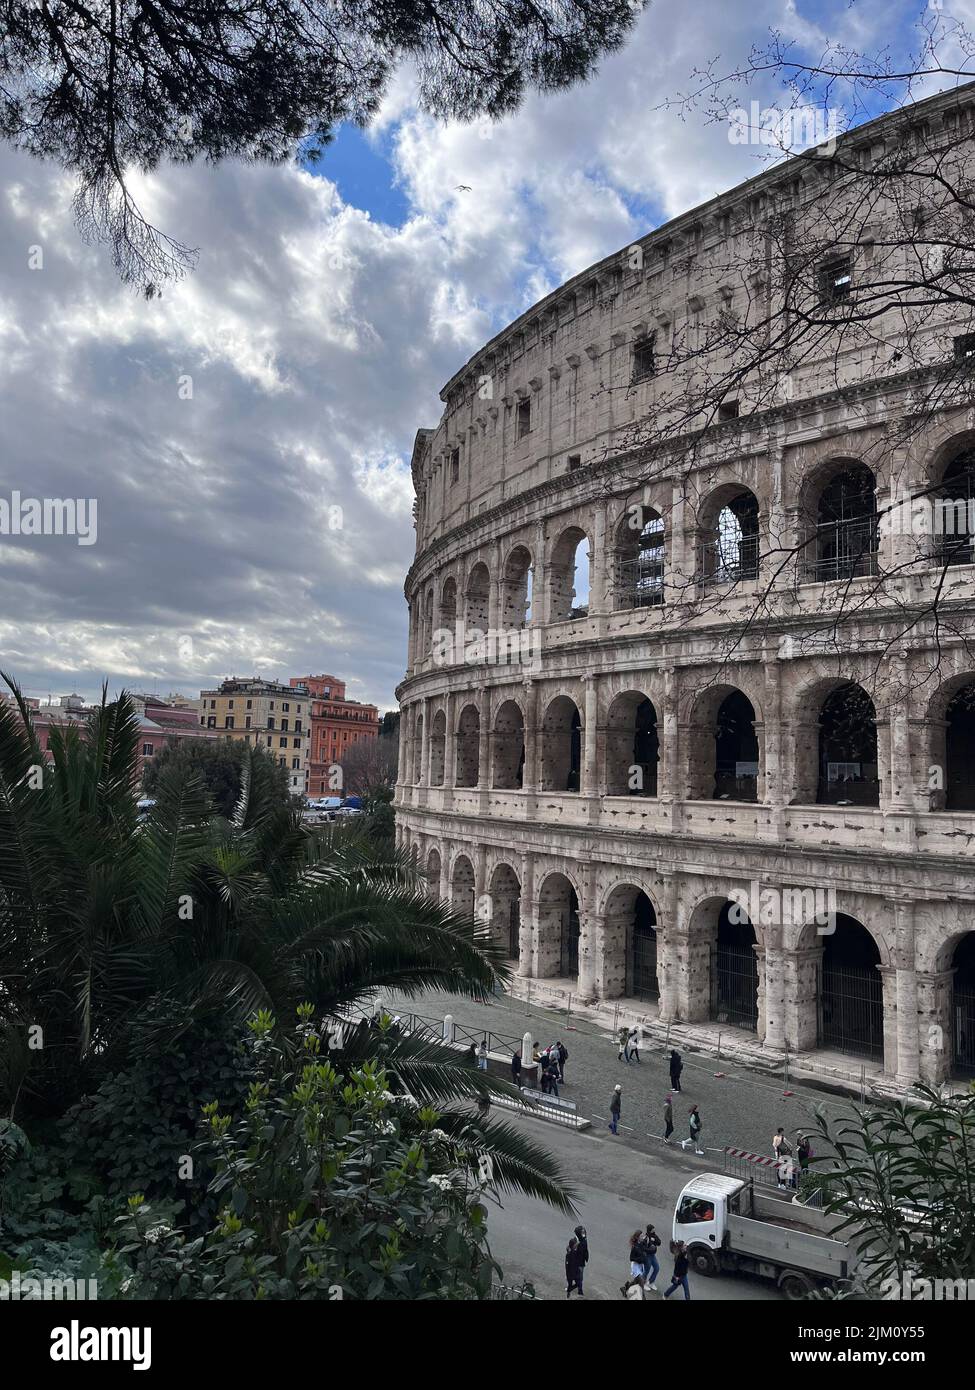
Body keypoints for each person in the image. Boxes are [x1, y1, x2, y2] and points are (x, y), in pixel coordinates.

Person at [621, 1230, 649, 1297]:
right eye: (641, 1236)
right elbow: (631, 1258)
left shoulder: (642, 1243)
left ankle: (625, 1288)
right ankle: (643, 1298)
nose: (642, 1237)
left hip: (640, 1266)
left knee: (636, 1282)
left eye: (642, 1235)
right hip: (635, 1266)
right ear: (637, 1237)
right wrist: (639, 1260)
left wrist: (647, 1242)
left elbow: (646, 1249)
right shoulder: (635, 1247)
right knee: (641, 1283)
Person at [643, 1224, 661, 1290]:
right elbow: (643, 1247)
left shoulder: (654, 1235)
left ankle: (650, 1282)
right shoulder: (646, 1237)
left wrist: (654, 1240)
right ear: (650, 1230)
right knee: (646, 1270)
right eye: (653, 1229)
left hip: (652, 1255)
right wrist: (650, 1249)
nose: (654, 1230)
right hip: (647, 1256)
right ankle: (643, 1283)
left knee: (657, 1268)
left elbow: (659, 1242)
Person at [574, 1225, 589, 1294]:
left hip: (578, 1263)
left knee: (578, 1277)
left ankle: (580, 1291)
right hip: (581, 1262)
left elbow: (577, 1252)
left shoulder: (580, 1244)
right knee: (579, 1277)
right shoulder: (584, 1241)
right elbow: (586, 1251)